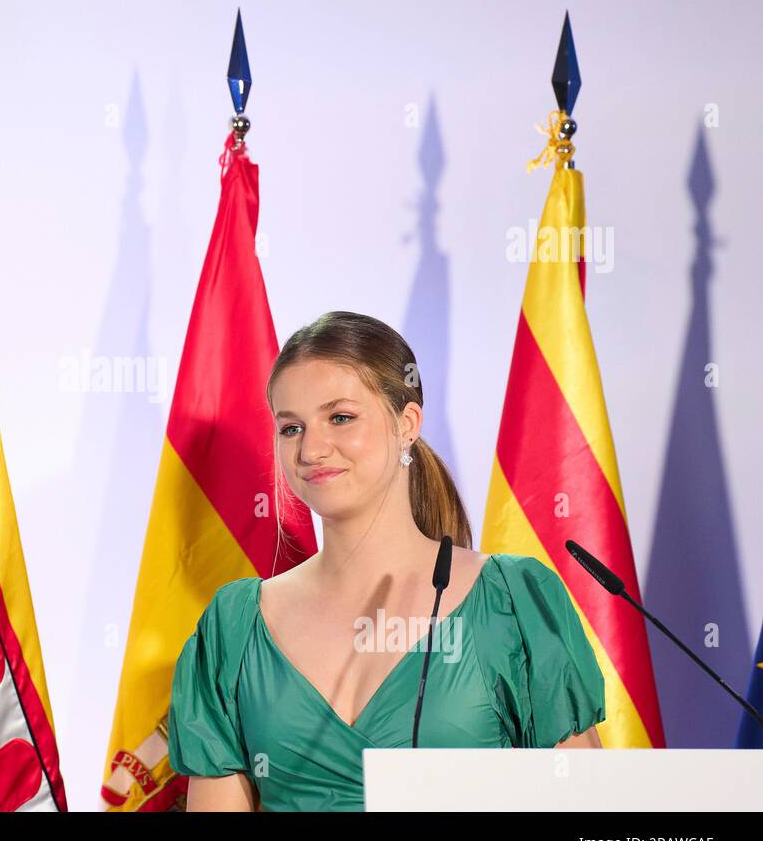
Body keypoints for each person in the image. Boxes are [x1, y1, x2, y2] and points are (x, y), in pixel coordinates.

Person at [167, 311, 606, 811]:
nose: (311, 448)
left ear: (407, 424)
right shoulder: (233, 626)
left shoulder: (514, 601)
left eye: (340, 417)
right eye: (291, 428)